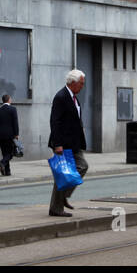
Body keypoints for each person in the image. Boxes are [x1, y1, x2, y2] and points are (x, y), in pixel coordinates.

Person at [48, 69, 87, 217]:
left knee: (75, 170)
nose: (83, 86)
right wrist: (57, 144)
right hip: (63, 144)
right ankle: (57, 207)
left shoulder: (74, 97)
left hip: (73, 142)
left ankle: (61, 198)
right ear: (73, 83)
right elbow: (55, 122)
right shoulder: (61, 97)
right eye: (81, 83)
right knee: (66, 173)